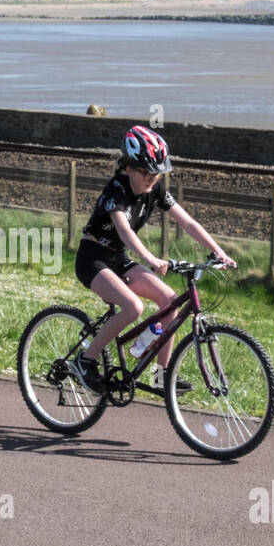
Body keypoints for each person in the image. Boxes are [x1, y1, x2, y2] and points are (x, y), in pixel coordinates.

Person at [71, 125, 236, 394]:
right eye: (147, 173)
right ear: (129, 169)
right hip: (93, 260)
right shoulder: (116, 191)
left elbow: (188, 223)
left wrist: (219, 251)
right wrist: (149, 257)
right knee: (133, 307)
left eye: (157, 173)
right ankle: (85, 360)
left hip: (118, 260)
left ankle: (161, 375)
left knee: (170, 300)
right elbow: (124, 231)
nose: (153, 179)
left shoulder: (155, 190)